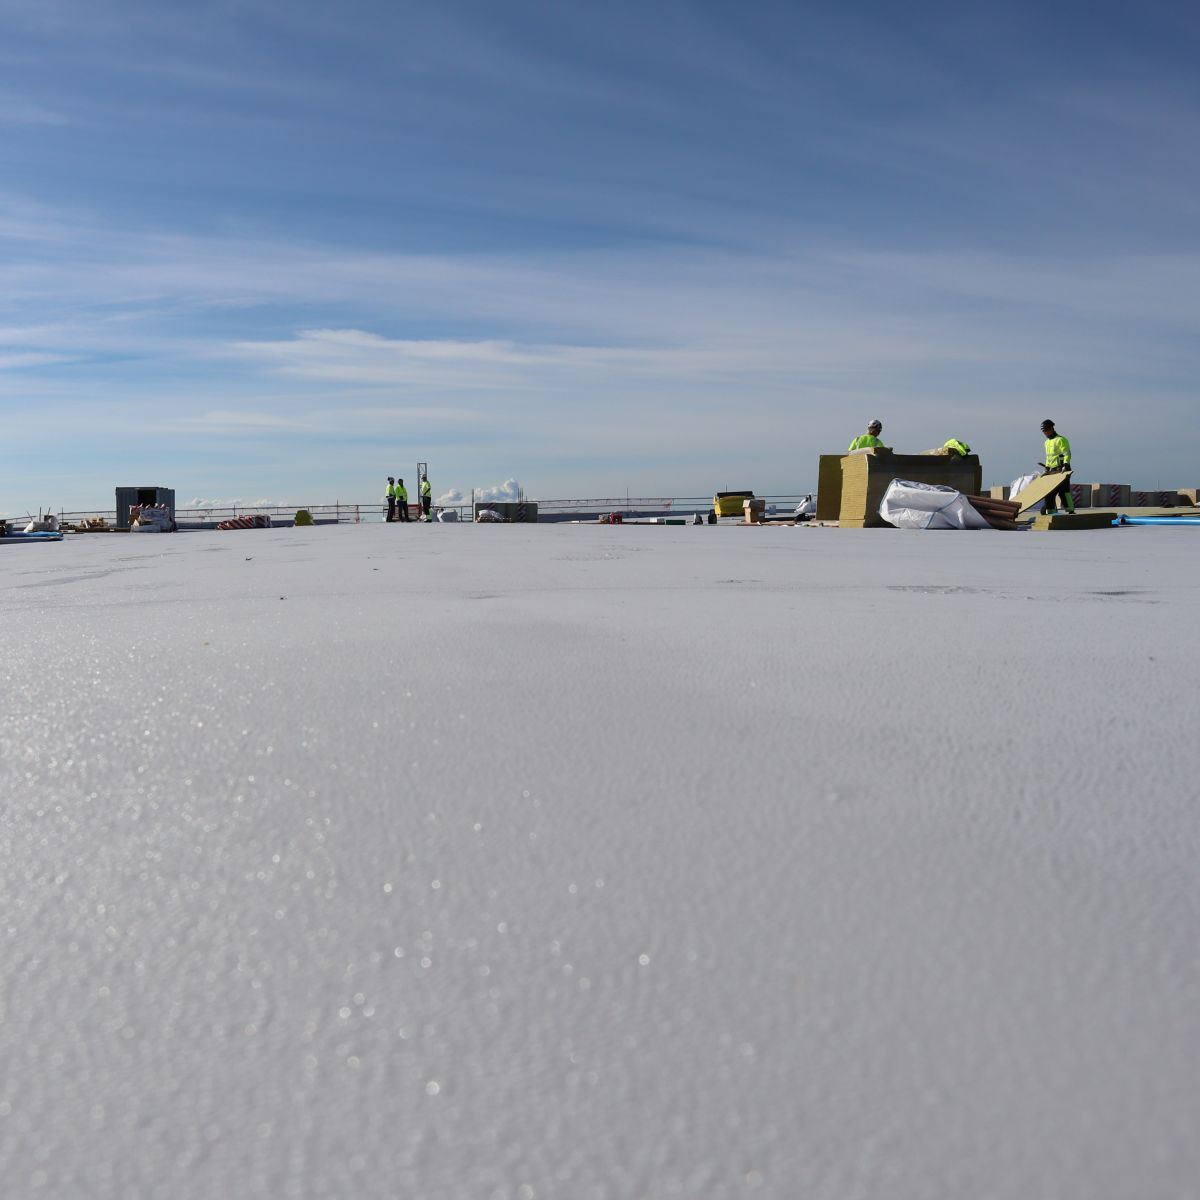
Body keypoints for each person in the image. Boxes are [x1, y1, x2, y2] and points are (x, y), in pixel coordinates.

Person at [1039, 419, 1074, 515]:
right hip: (1052, 470)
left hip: (1062, 469)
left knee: (1064, 492)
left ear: (1051, 428)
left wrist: (1065, 464)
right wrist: (1046, 468)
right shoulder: (1046, 443)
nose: (1045, 433)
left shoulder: (1061, 439)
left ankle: (1071, 511)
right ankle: (1051, 513)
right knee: (1049, 493)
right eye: (1043, 431)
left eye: (1046, 430)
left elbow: (1067, 453)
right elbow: (1049, 457)